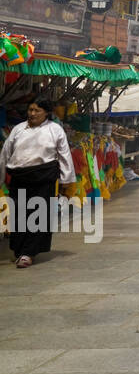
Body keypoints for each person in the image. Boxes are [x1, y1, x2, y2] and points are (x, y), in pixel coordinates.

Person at [0, 99, 75, 268]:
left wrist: (66, 181)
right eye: (30, 110)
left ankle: (29, 252)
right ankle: (19, 249)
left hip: (44, 178)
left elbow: (64, 155)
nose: (32, 114)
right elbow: (5, 154)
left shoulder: (55, 130)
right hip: (19, 177)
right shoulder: (18, 129)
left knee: (38, 214)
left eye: (37, 110)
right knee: (19, 214)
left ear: (46, 113)